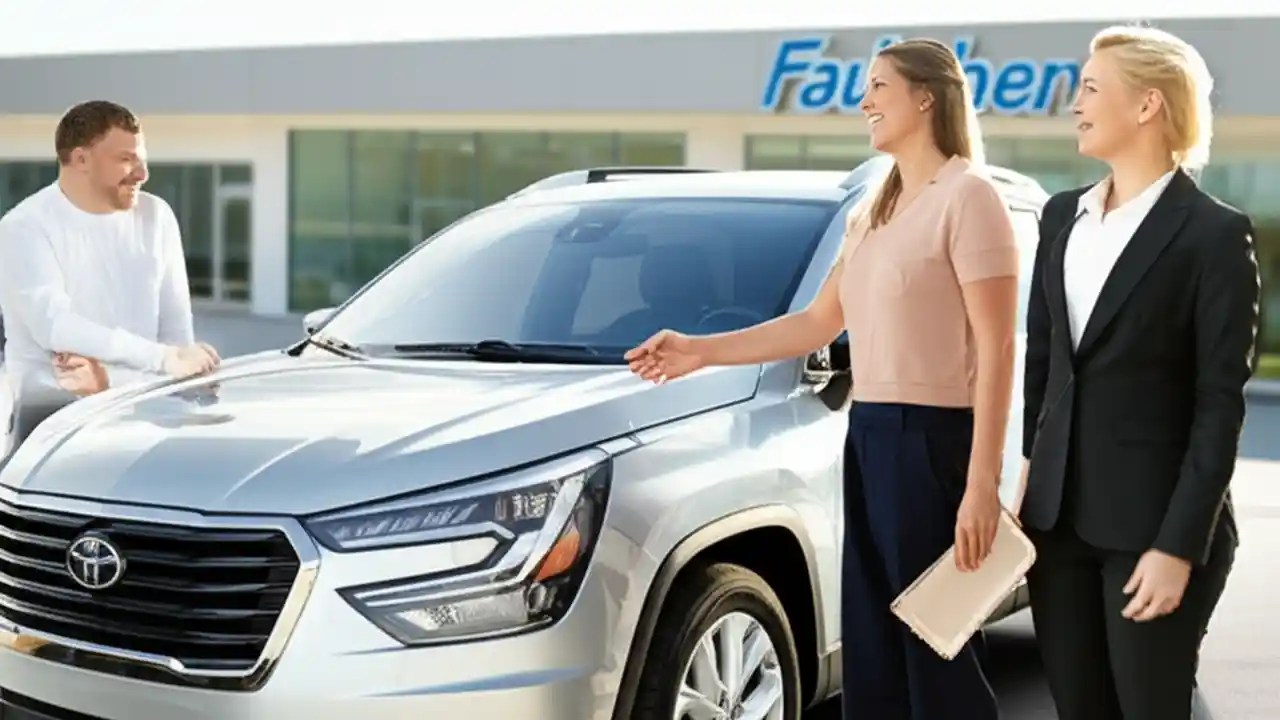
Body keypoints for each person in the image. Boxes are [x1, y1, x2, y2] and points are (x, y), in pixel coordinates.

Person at [626, 38, 1019, 720]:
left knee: (937, 647)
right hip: (867, 435)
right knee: (872, 648)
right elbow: (812, 323)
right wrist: (698, 350)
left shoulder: (968, 197)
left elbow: (998, 346)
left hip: (933, 443)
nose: (864, 101)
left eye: (879, 87)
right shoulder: (878, 209)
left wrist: (981, 485)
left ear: (925, 98)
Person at [1017, 25, 1259, 720]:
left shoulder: (1213, 234)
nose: (1076, 104)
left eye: (1091, 87)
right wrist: (1030, 473)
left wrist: (1178, 547)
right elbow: (1045, 360)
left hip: (1154, 532)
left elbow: (1219, 406)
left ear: (1148, 105)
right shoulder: (1062, 216)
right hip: (1057, 530)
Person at [0, 100, 220, 450]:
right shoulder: (23, 227)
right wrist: (163, 360)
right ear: (81, 159)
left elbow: (176, 333)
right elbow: (56, 327)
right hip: (51, 429)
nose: (142, 173)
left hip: (147, 419)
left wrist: (192, 378)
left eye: (141, 158)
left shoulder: (156, 216)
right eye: (126, 158)